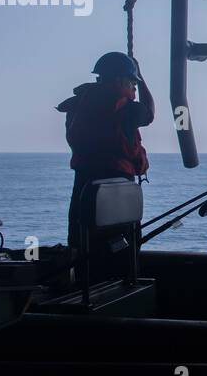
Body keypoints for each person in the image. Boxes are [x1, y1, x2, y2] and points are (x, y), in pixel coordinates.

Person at [56, 51, 154, 253]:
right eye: (132, 82)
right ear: (120, 81)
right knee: (122, 249)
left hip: (83, 185)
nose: (134, 87)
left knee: (83, 244)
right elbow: (149, 112)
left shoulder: (78, 105)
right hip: (117, 187)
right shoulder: (126, 109)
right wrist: (142, 75)